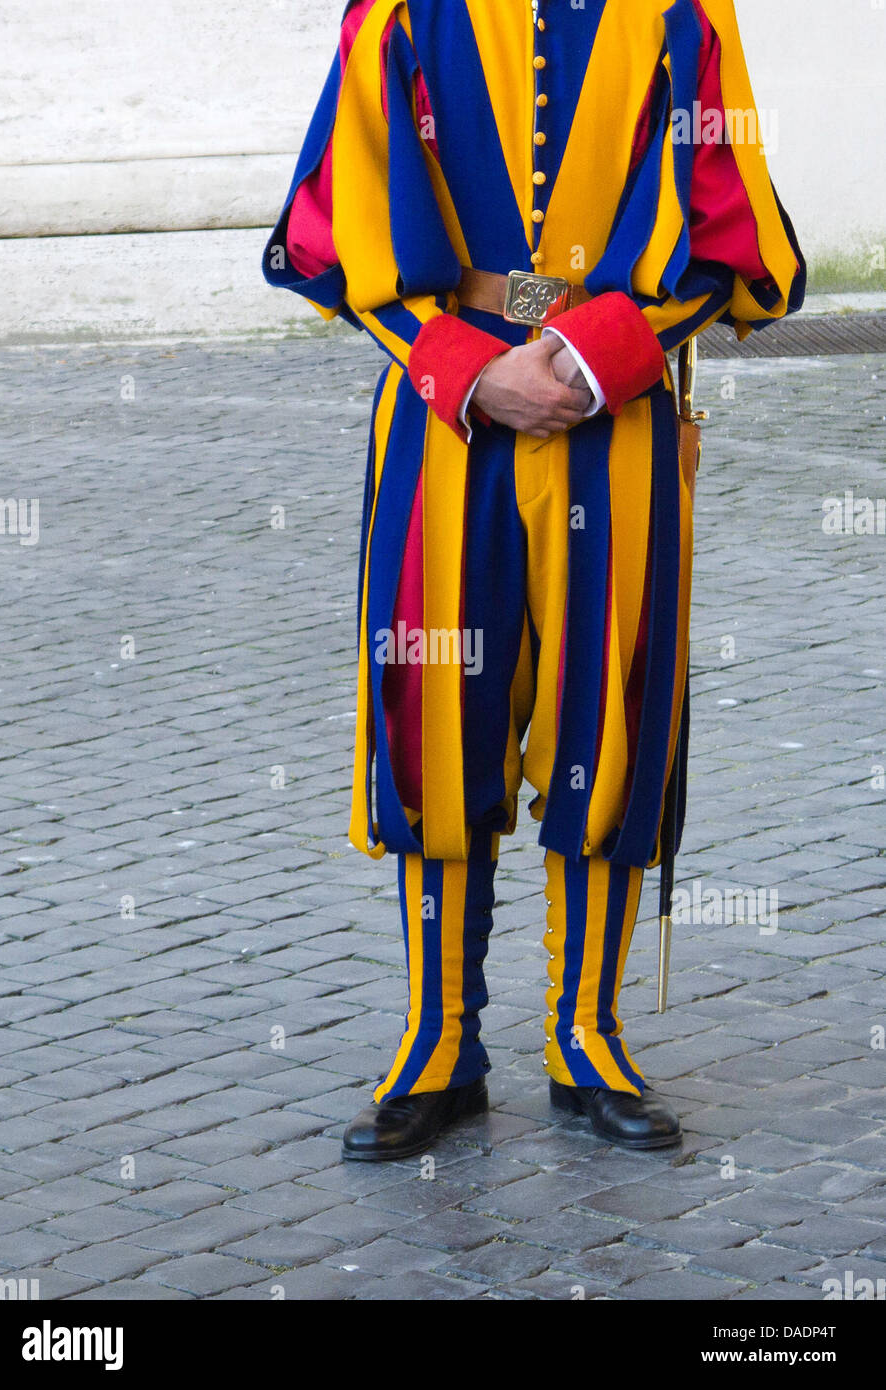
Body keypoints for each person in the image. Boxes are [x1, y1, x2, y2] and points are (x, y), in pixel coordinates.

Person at [262, 0, 804, 1158]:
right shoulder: (399, 16)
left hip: (618, 407)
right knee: (434, 713)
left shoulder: (681, 18)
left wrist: (595, 352)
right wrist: (466, 365)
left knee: (604, 707)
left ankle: (585, 1037)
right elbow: (338, 229)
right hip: (444, 414)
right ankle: (436, 1041)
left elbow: (723, 232)